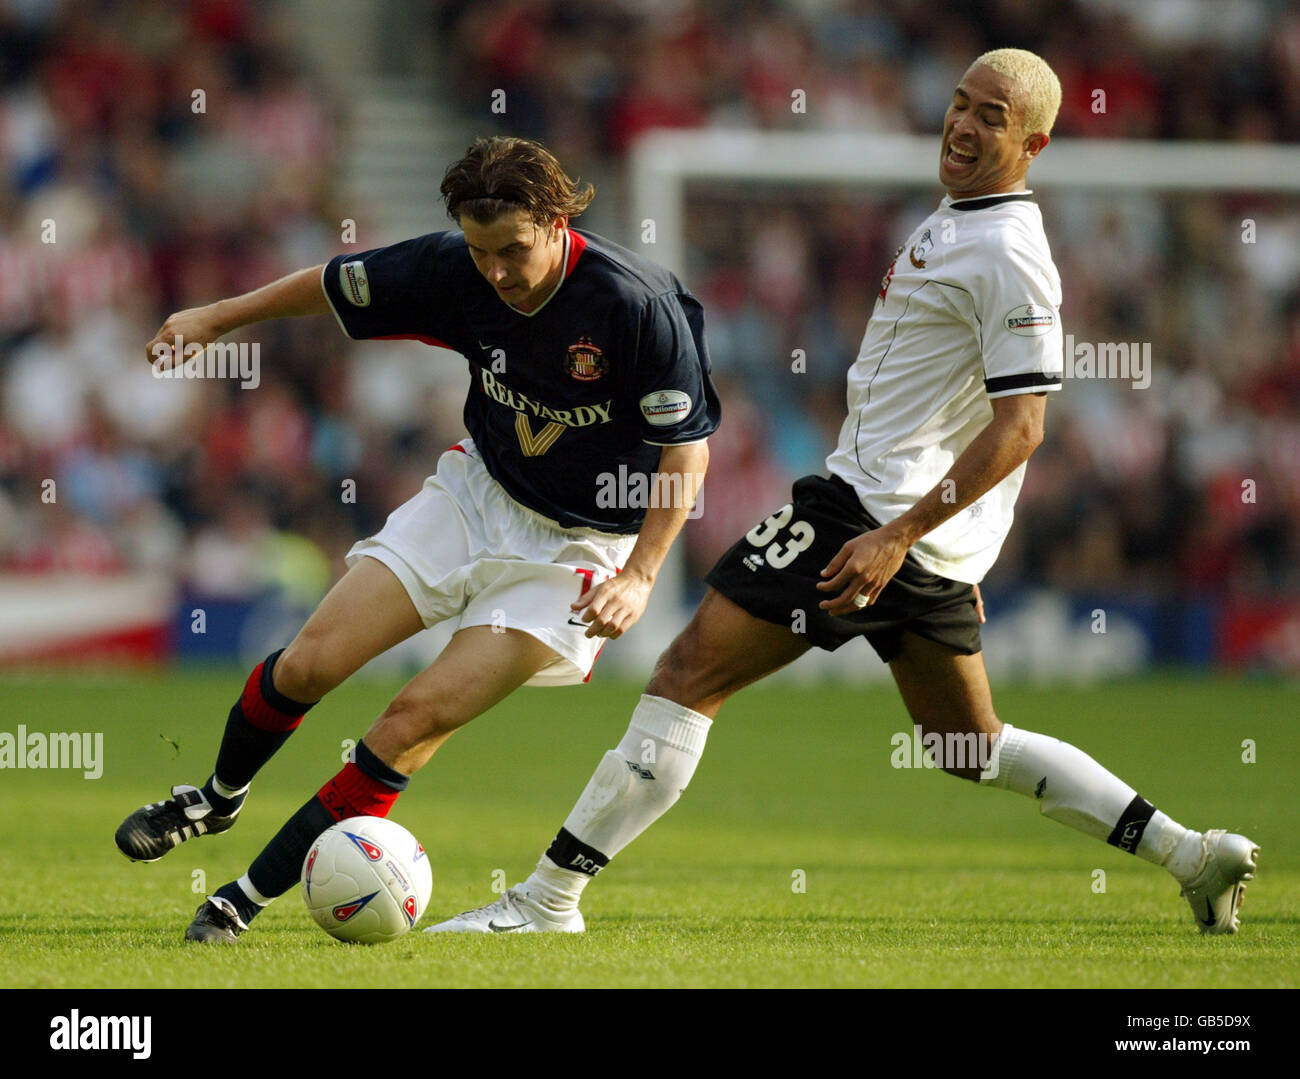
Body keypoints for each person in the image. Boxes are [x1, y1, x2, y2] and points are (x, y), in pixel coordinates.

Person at [429, 49, 1259, 937]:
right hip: (907, 530)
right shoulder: (960, 219)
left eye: (991, 118)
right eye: (958, 103)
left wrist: (902, 534)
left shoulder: (1010, 254)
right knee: (966, 745)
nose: (963, 125)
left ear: (1035, 142)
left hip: (864, 513)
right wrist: (947, 545)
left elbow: (1023, 428)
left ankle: (548, 900)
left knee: (685, 674)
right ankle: (1191, 854)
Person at [114, 135, 719, 942]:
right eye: (481, 251)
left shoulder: (631, 304)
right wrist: (216, 318)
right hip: (475, 495)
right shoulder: (455, 269)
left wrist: (643, 573)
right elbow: (332, 287)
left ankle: (239, 901)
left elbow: (688, 448)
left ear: (555, 219)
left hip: (577, 551)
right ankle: (216, 797)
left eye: (512, 249)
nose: (497, 271)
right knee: (308, 663)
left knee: (410, 721)